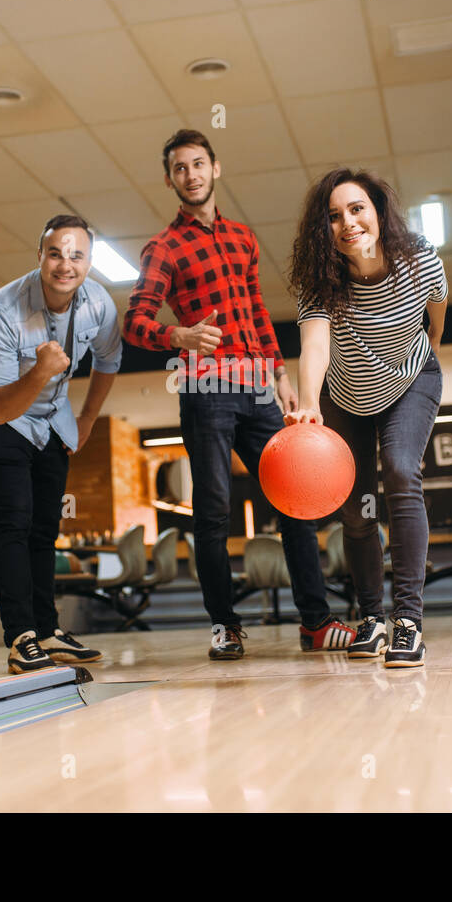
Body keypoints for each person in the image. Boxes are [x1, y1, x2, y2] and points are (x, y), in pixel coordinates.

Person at [124, 129, 355, 660]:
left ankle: (315, 623)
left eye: (198, 164)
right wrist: (178, 336)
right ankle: (224, 626)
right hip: (206, 390)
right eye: (180, 168)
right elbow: (135, 322)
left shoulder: (243, 238)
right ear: (169, 179)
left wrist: (280, 375)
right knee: (212, 512)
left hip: (258, 390)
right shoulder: (164, 247)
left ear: (215, 168)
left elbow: (255, 310)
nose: (191, 175)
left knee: (295, 498)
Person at [285, 169, 447, 668]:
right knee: (358, 510)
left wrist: (422, 360)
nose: (347, 223)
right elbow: (315, 345)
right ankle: (371, 616)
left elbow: (436, 317)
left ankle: (408, 622)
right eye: (333, 216)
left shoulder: (417, 256)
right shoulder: (320, 281)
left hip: (411, 379)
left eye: (357, 209)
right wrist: (309, 402)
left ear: (377, 211)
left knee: (401, 470)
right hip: (346, 397)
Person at [0, 215, 122, 673]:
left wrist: (89, 417)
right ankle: (20, 638)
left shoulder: (98, 303)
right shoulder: (4, 307)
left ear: (89, 263)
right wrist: (40, 371)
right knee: (13, 521)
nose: (65, 265)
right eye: (55, 253)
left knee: (45, 528)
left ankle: (47, 631)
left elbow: (110, 360)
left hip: (52, 418)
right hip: (0, 417)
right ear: (40, 257)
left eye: (76, 255)